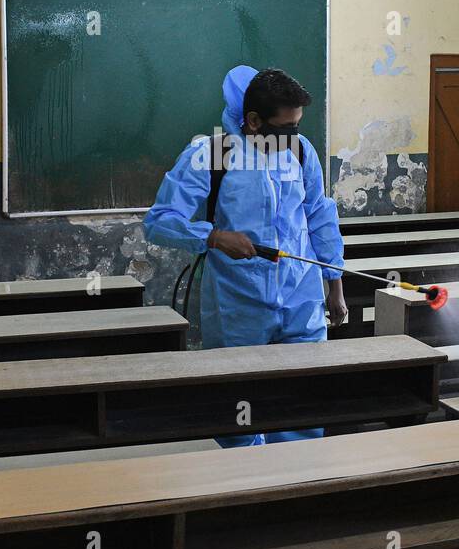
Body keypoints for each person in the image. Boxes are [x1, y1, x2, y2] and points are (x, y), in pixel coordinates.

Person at [143, 65, 347, 446]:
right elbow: (159, 222)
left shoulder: (301, 152)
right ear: (253, 121)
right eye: (284, 129)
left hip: (301, 299)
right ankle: (245, 492)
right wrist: (216, 237)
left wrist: (334, 284)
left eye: (297, 127)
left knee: (300, 403)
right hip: (238, 304)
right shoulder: (213, 154)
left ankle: (296, 486)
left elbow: (320, 215)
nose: (293, 137)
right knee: (238, 407)